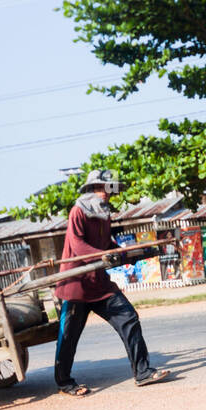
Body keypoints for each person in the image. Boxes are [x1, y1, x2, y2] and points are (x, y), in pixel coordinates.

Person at [53, 169, 170, 395]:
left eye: (108, 188)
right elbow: (78, 246)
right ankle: (64, 382)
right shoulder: (78, 211)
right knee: (68, 336)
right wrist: (104, 255)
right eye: (100, 188)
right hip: (75, 284)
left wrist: (131, 253)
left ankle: (143, 372)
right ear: (90, 189)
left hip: (99, 283)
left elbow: (107, 246)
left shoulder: (105, 215)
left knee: (129, 317)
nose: (105, 193)